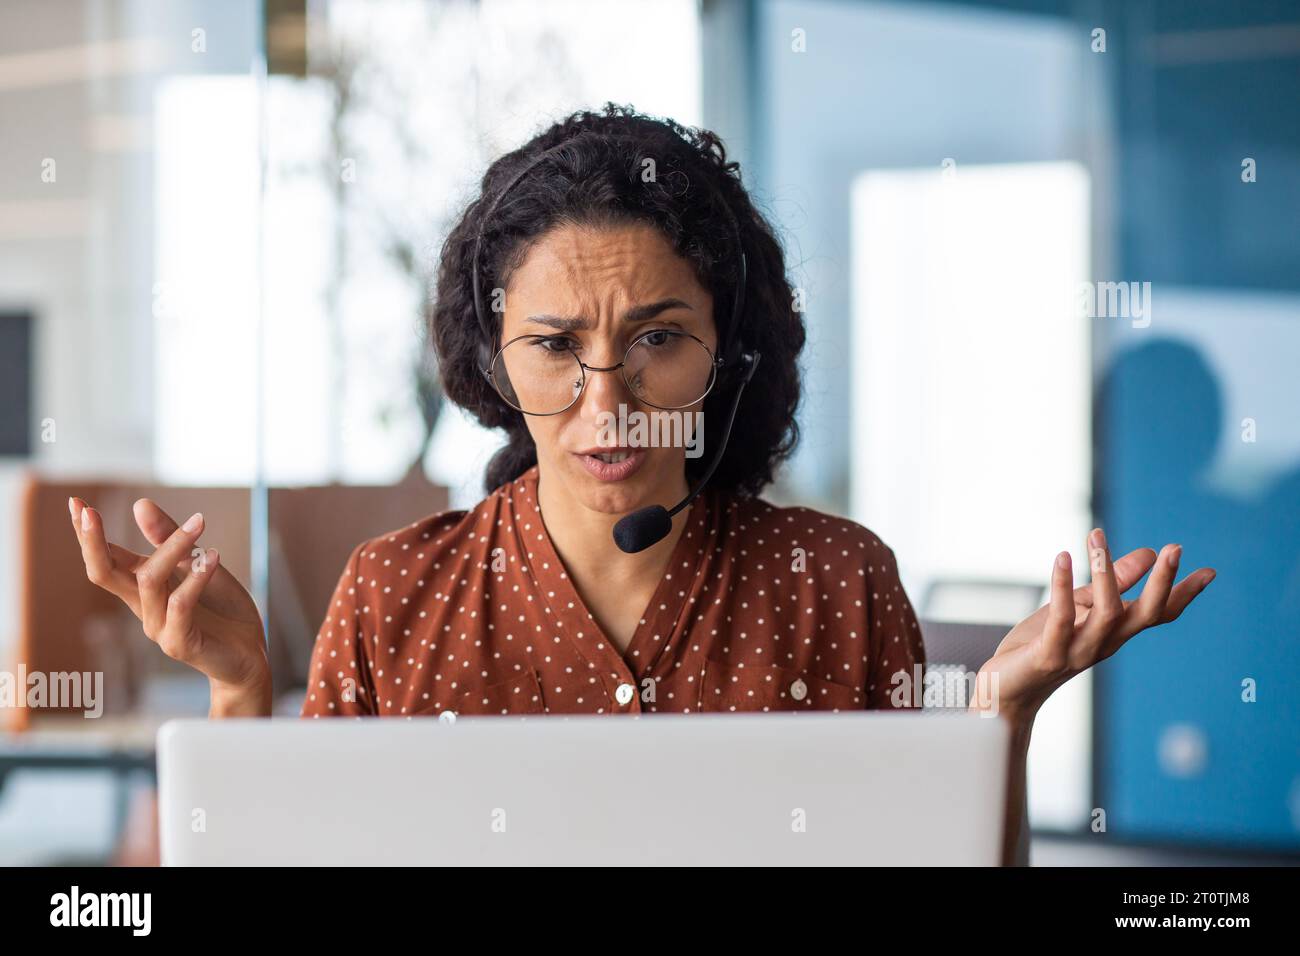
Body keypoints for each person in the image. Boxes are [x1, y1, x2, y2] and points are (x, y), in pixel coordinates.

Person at [66, 103, 1215, 864]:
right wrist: (236, 686)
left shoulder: (835, 578)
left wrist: (998, 718)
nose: (608, 402)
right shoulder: (391, 596)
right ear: (491, 356)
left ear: (732, 346)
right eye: (556, 346)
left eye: (658, 336)